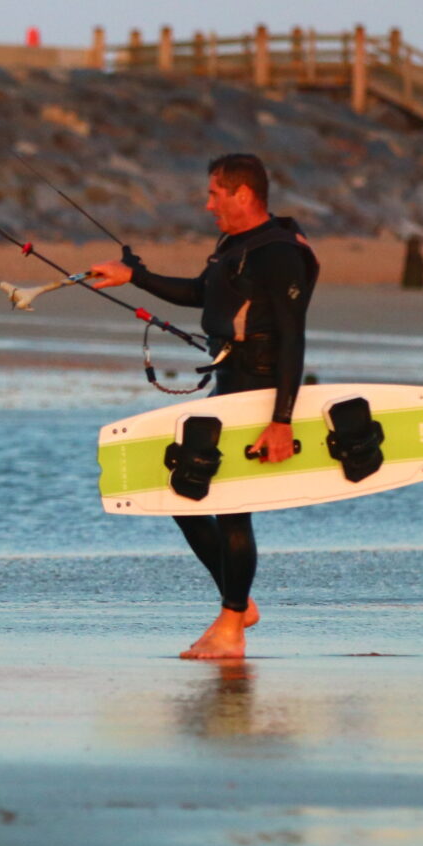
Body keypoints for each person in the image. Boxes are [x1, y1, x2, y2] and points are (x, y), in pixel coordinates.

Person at [86, 153, 319, 659]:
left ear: (243, 194)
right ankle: (238, 603)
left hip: (259, 392)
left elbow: (293, 338)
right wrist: (134, 276)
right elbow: (201, 293)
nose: (207, 204)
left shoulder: (279, 253)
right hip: (228, 386)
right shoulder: (236, 246)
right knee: (181, 492)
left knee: (231, 509)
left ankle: (232, 626)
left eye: (215, 194)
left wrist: (281, 420)